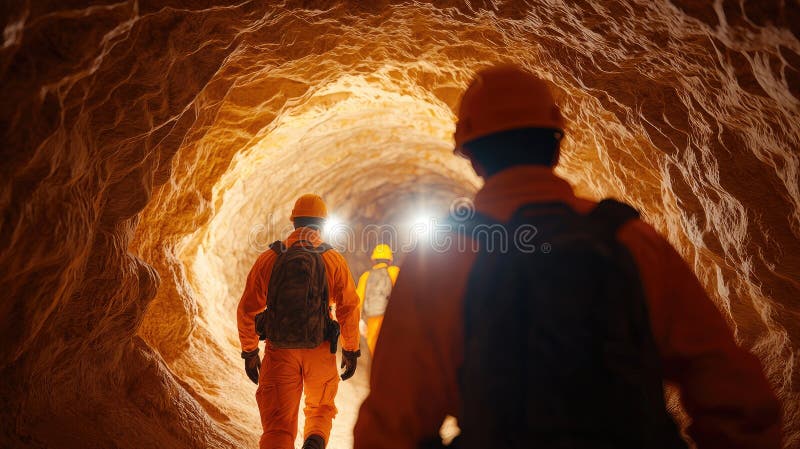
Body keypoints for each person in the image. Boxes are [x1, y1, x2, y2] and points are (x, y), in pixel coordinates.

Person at [353, 65, 782, 449]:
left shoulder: (444, 258)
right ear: (556, 144)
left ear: (472, 156)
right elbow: (736, 395)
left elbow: (393, 421)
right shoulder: (631, 239)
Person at [237, 194, 361, 449]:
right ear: (323, 225)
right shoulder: (332, 259)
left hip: (280, 349)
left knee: (278, 423)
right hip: (319, 346)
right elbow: (348, 308)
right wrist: (351, 349)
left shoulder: (270, 258)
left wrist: (249, 351)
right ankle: (313, 443)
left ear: (293, 222)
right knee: (319, 410)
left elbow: (247, 309)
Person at [356, 244, 400, 354]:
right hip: (393, 320)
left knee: (376, 353)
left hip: (372, 320)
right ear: (390, 260)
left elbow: (357, 301)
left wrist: (359, 321)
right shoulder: (395, 272)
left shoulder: (365, 276)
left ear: (374, 260)